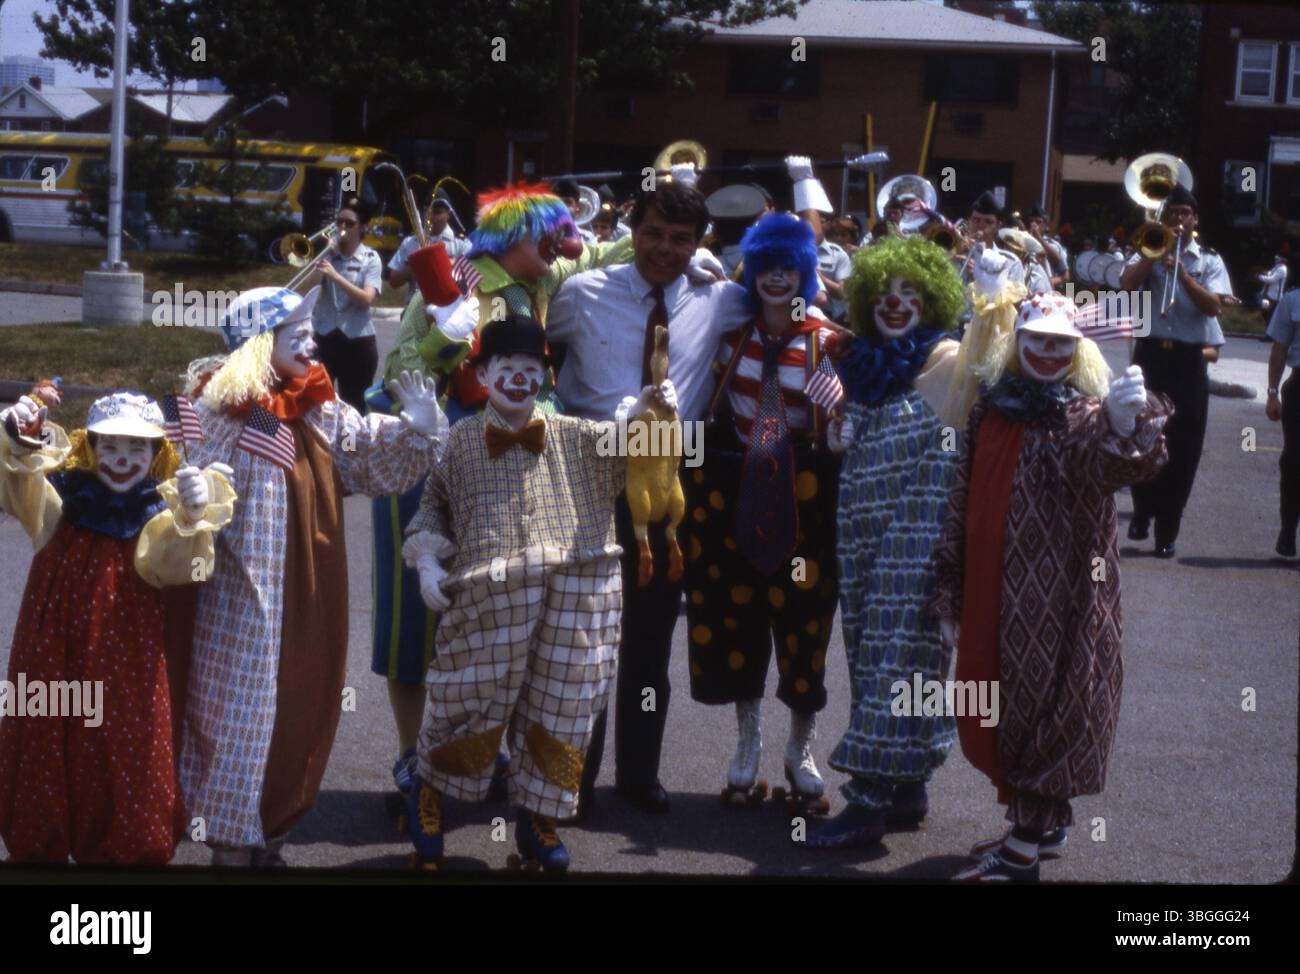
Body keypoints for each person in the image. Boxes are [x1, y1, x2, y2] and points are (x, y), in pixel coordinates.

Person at [175, 286, 447, 868]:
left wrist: (416, 428)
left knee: (304, 699)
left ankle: (271, 833)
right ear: (256, 344)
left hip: (312, 582)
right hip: (239, 587)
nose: (311, 339)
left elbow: (366, 454)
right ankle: (229, 841)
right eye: (294, 330)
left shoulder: (317, 403)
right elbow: (183, 486)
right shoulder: (221, 410)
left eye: (310, 327)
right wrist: (191, 494)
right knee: (234, 707)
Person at [401, 314, 662, 871]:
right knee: (464, 699)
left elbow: (639, 449)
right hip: (488, 592)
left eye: (530, 369)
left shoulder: (574, 432)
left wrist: (645, 411)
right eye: (506, 368)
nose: (518, 378)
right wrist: (425, 562)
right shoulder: (461, 440)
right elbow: (431, 510)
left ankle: (536, 819)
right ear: (484, 375)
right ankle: (427, 791)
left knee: (564, 707)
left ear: (543, 378)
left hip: (575, 587)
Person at [931, 293, 1170, 881]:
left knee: (1047, 706)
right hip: (993, 587)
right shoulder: (991, 408)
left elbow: (1116, 466)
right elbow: (961, 495)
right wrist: (949, 582)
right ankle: (1038, 826)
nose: (1046, 351)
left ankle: (1022, 853)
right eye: (1036, 339)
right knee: (992, 703)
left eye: (1061, 343)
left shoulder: (1082, 415)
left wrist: (1122, 424)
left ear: (1077, 350)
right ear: (1017, 342)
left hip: (1060, 600)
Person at [547, 179, 754, 816]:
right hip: (591, 479)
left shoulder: (718, 299)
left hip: (666, 491)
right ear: (633, 230)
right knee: (581, 643)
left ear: (699, 243)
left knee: (649, 638)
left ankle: (639, 774)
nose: (665, 249)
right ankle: (568, 779)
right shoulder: (581, 295)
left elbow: (792, 296)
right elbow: (524, 347)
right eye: (655, 234)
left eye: (681, 239)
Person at [0, 392, 234, 863]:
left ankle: (122, 852)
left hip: (125, 653)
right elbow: (19, 491)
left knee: (123, 741)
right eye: (111, 447)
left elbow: (180, 567)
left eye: (137, 448)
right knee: (46, 731)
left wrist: (192, 515)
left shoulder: (154, 514)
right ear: (91, 448)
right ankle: (38, 844)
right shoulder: (62, 499)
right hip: (51, 646)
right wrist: (17, 442)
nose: (123, 459)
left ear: (156, 455)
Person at [806, 234, 966, 850]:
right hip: (862, 536)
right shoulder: (863, 362)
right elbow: (848, 424)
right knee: (879, 660)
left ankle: (868, 802)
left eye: (912, 294)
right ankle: (909, 786)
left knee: (897, 661)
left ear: (932, 302)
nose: (896, 304)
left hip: (920, 540)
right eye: (886, 293)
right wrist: (844, 431)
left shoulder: (950, 359)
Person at [681, 213, 842, 813]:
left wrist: (842, 422)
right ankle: (747, 743)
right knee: (735, 618)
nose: (776, 278)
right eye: (766, 267)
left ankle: (801, 749)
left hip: (805, 503)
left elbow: (842, 428)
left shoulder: (829, 340)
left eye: (788, 267)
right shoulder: (733, 338)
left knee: (804, 622)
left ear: (804, 273)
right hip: (737, 496)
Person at [1118, 185, 1233, 557]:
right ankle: (1141, 511)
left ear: (1195, 219)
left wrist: (1183, 275)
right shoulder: (1149, 247)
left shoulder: (1210, 260)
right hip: (1151, 354)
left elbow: (1214, 306)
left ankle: (1168, 527)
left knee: (1184, 444)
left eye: (1185, 213)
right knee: (1141, 433)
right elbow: (1126, 284)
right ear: (1164, 219)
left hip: (1188, 360)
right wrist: (1152, 256)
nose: (1179, 220)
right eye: (1173, 214)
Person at [306, 197, 384, 412]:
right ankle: (322, 446)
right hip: (325, 338)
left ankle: (349, 447)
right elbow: (304, 291)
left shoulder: (371, 258)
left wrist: (336, 277)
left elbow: (367, 299)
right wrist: (323, 257)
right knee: (318, 403)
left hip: (357, 343)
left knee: (353, 406)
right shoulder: (328, 257)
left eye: (349, 224)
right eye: (339, 222)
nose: (342, 228)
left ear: (362, 228)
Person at [789, 155, 852, 322]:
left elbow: (836, 296)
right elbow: (818, 299)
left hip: (824, 317)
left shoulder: (837, 253)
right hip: (796, 319)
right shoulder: (795, 256)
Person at [1265, 284, 1300, 558]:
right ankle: (1288, 530)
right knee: (1293, 463)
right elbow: (1280, 348)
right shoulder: (1292, 300)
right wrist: (1272, 393)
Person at [387, 191, 471, 299]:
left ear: (448, 214)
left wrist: (448, 263)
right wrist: (414, 266)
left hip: (449, 307)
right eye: (429, 211)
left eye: (438, 212)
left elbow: (474, 278)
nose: (433, 217)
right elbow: (393, 281)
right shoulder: (410, 242)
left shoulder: (461, 244)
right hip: (416, 305)